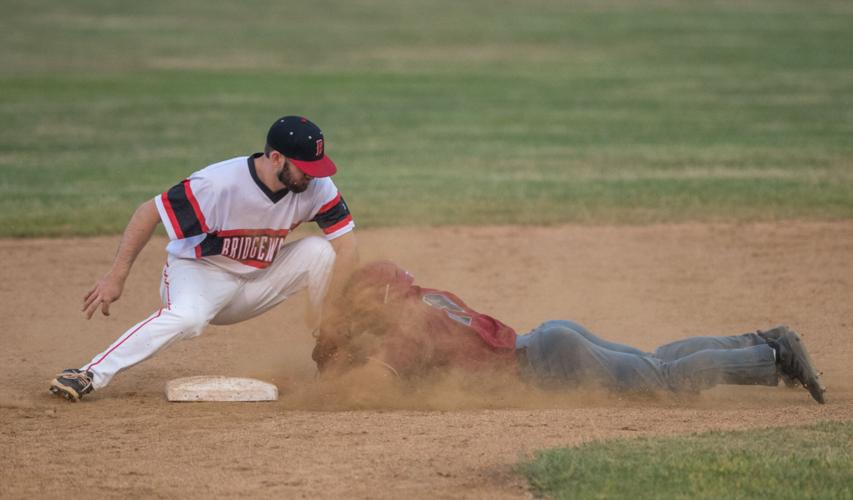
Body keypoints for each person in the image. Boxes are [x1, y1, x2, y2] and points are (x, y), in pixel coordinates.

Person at [50, 116, 359, 401]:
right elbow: (148, 212)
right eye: (306, 167)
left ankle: (332, 359)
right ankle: (89, 373)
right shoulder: (217, 184)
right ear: (276, 157)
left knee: (321, 251)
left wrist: (334, 317)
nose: (313, 176)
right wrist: (116, 276)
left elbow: (347, 248)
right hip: (199, 275)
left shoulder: (315, 187)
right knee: (189, 318)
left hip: (257, 281)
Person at [312, 261, 827, 404]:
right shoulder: (427, 299)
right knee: (659, 361)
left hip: (554, 361)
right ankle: (765, 339)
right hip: (550, 341)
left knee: (668, 382)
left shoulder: (406, 330)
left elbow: (371, 389)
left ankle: (774, 356)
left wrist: (320, 379)